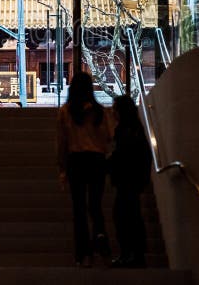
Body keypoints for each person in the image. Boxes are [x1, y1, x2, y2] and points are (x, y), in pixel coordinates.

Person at [56, 71, 114, 267]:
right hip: (97, 161)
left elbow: (62, 143)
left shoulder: (66, 112)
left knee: (79, 208)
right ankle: (100, 240)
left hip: (76, 161)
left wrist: (62, 168)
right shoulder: (101, 112)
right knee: (95, 205)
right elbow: (109, 137)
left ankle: (83, 254)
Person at [108, 95, 152, 268]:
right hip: (134, 179)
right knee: (132, 216)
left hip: (126, 180)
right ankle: (136, 255)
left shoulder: (124, 130)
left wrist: (108, 162)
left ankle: (129, 254)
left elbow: (122, 155)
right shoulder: (136, 128)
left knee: (123, 216)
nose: (112, 111)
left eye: (114, 108)